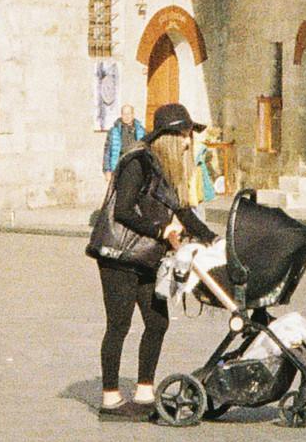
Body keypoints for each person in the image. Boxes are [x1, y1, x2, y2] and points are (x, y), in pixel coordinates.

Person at [89, 101, 214, 416]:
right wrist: (161, 230)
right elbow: (123, 210)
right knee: (119, 325)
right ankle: (110, 399)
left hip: (146, 257)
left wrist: (212, 239)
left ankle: (144, 393)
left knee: (157, 322)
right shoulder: (138, 162)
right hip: (119, 257)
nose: (188, 142)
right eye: (184, 135)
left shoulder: (166, 169)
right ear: (169, 137)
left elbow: (184, 211)